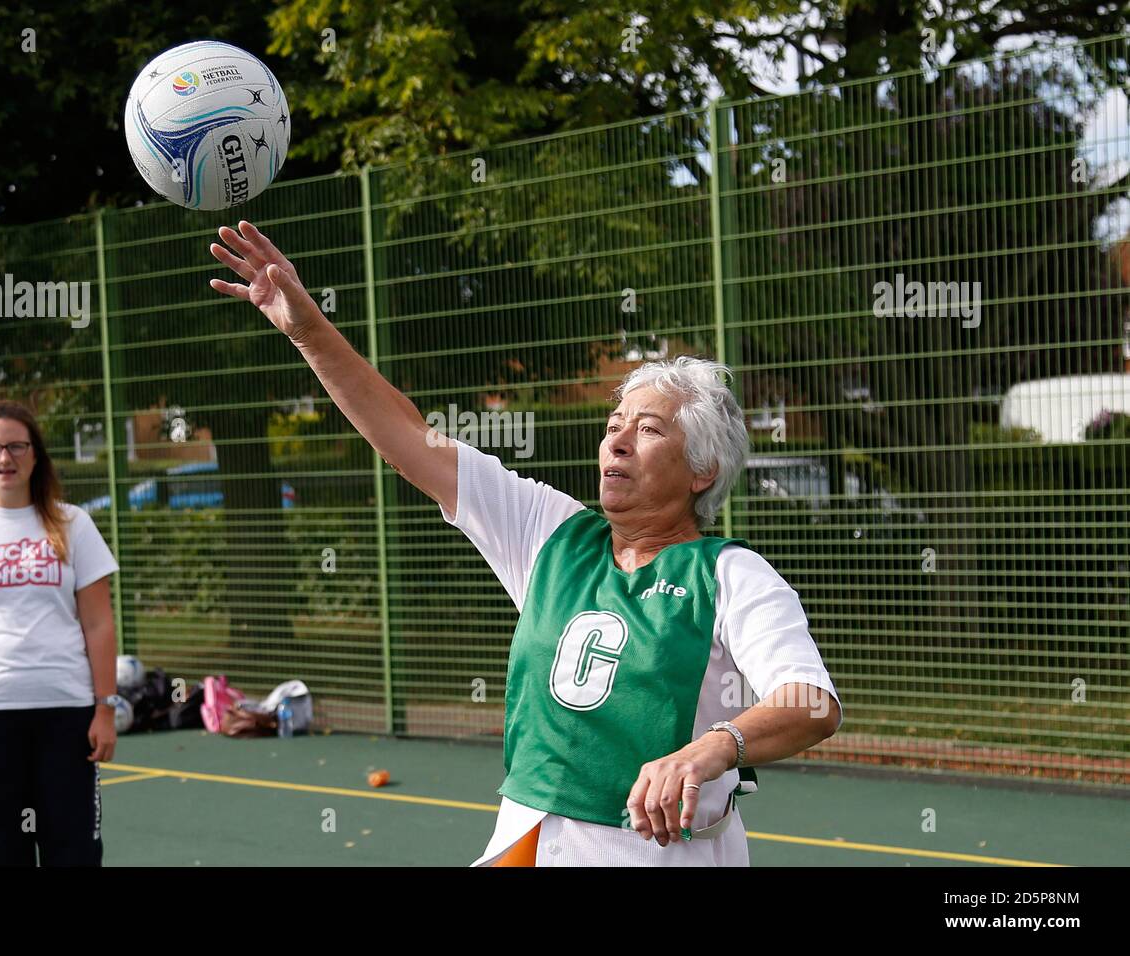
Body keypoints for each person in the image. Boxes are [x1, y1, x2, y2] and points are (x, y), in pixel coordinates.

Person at [209, 220, 843, 866]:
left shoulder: (730, 575)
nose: (616, 442)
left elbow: (810, 702)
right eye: (613, 425)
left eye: (647, 430)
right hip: (534, 849)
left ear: (701, 470)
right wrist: (306, 329)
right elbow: (408, 441)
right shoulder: (551, 534)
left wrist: (717, 744)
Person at [0, 400, 120, 866]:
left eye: (15, 446)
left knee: (74, 855)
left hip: (66, 715)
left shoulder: (73, 524)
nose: (4, 458)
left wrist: (105, 708)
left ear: (35, 455)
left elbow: (98, 624)